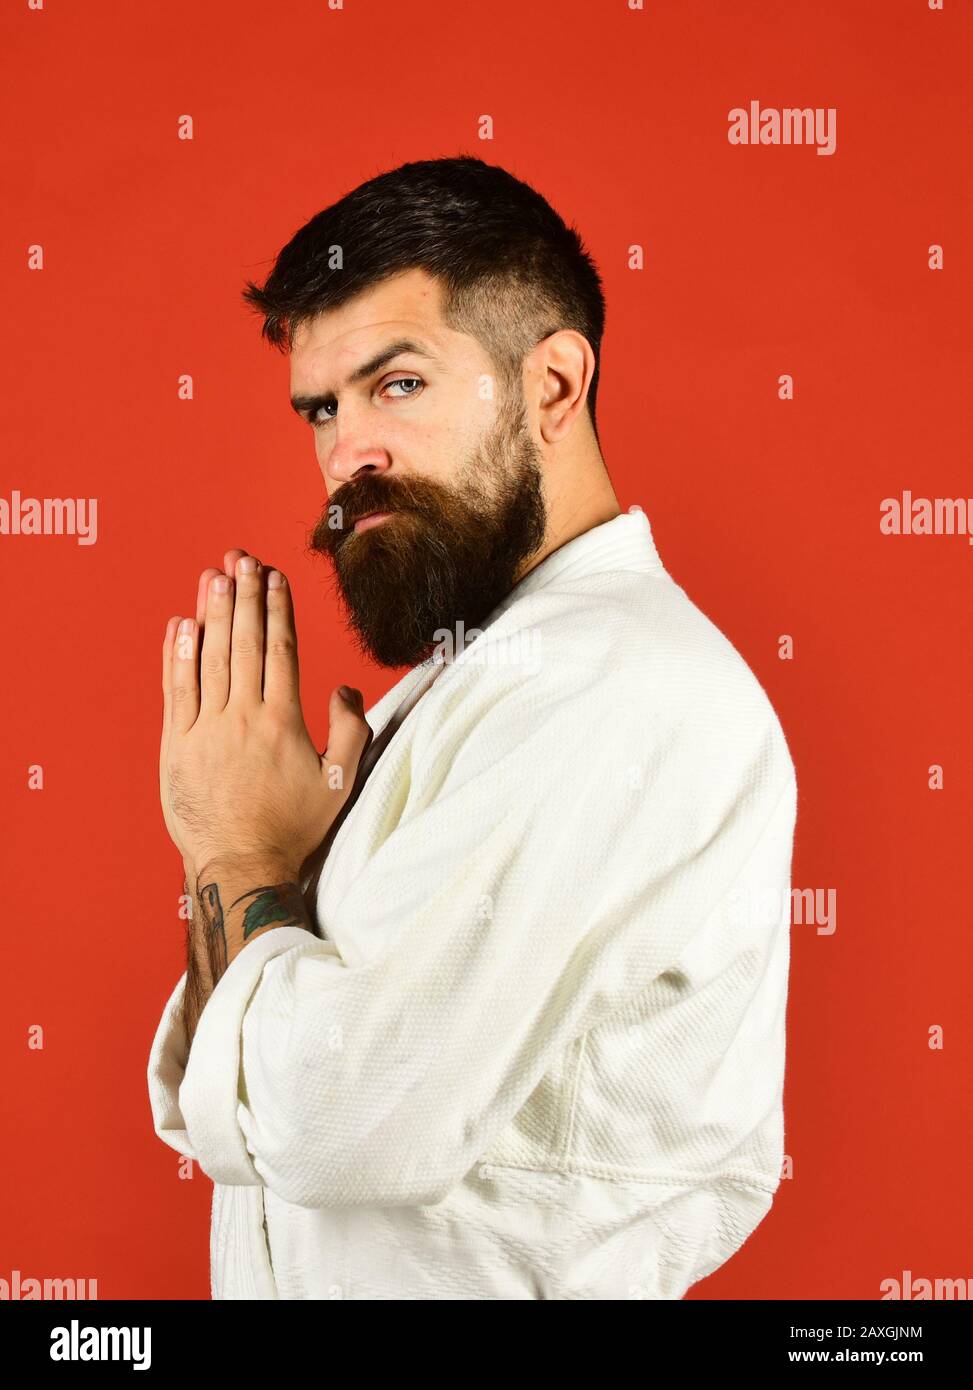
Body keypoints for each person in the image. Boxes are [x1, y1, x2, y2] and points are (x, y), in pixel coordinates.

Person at [149, 155, 798, 1300]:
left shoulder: (614, 688)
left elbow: (334, 1118)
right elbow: (228, 1100)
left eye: (396, 384)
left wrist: (234, 852)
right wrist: (281, 883)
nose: (348, 455)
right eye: (322, 409)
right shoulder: (468, 686)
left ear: (552, 385)